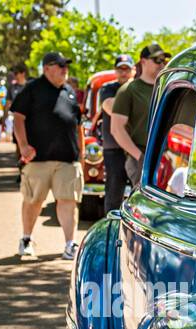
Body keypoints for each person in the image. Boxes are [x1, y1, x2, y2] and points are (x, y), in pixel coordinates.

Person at [10, 51, 84, 260]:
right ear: (46, 68)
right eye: (59, 65)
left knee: (68, 201)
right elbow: (18, 118)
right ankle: (26, 239)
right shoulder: (32, 89)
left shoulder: (69, 92)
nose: (64, 68)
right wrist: (23, 146)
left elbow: (78, 126)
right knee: (33, 201)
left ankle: (70, 244)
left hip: (68, 160)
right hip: (38, 159)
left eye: (65, 65)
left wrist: (82, 154)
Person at [112, 42, 170, 187]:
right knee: (144, 206)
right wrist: (140, 157)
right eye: (157, 60)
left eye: (164, 60)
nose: (161, 64)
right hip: (141, 157)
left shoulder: (167, 90)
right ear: (143, 61)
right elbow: (116, 129)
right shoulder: (129, 90)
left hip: (164, 157)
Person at [98, 54, 134, 213]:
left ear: (133, 70)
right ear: (115, 70)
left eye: (127, 69)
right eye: (120, 69)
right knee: (113, 193)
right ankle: (111, 231)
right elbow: (110, 107)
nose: (124, 72)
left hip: (136, 148)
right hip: (114, 148)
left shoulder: (139, 88)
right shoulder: (108, 88)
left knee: (139, 193)